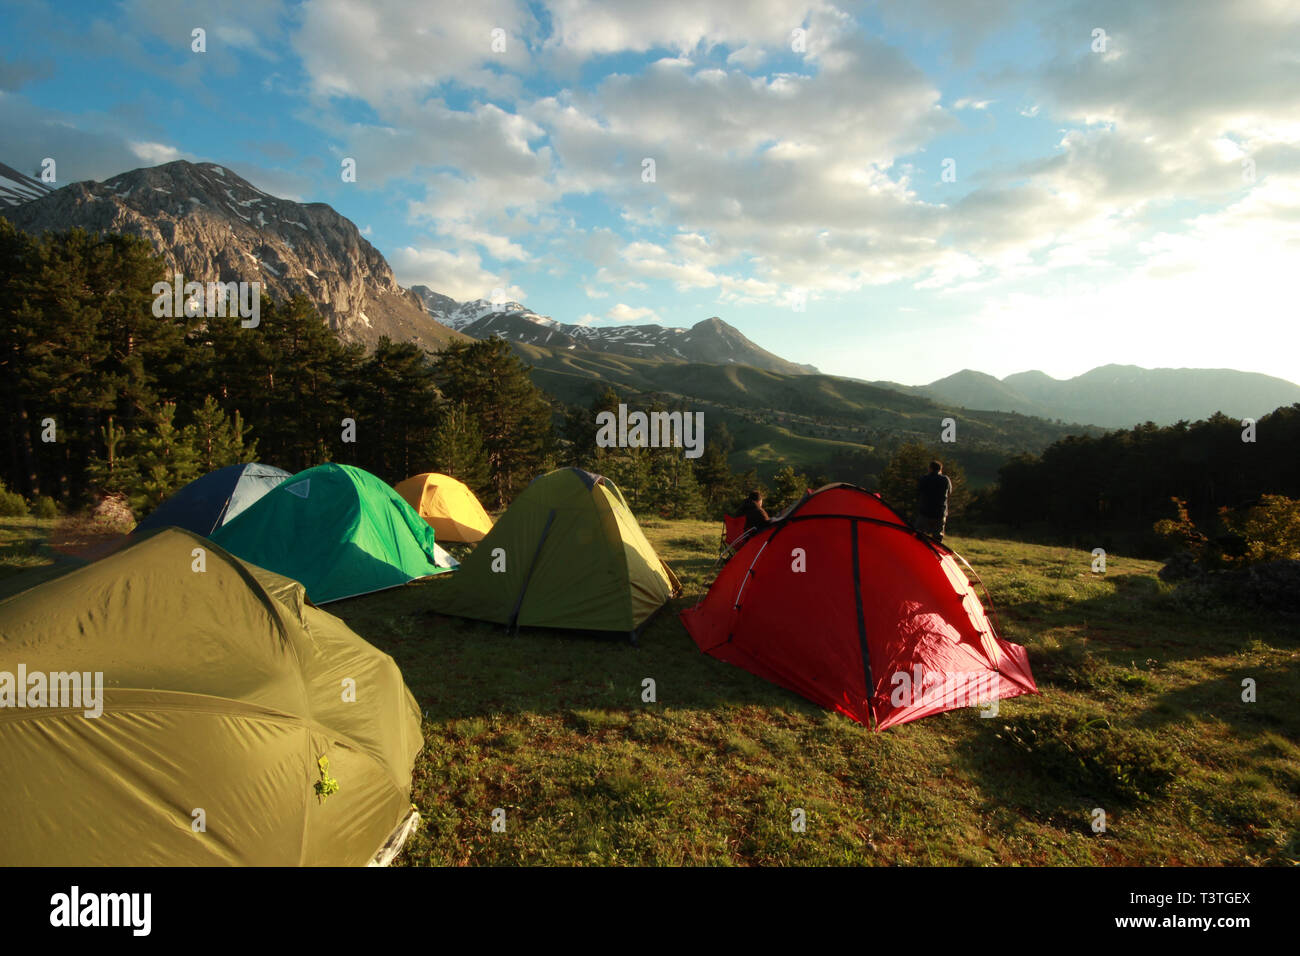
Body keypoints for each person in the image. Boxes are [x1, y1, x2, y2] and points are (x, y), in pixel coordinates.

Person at [915, 460, 952, 542]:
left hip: (925, 512)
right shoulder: (945, 479)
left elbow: (918, 492)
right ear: (940, 469)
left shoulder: (924, 478)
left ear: (930, 469)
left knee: (919, 535)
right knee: (937, 538)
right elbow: (949, 492)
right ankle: (935, 553)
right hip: (940, 512)